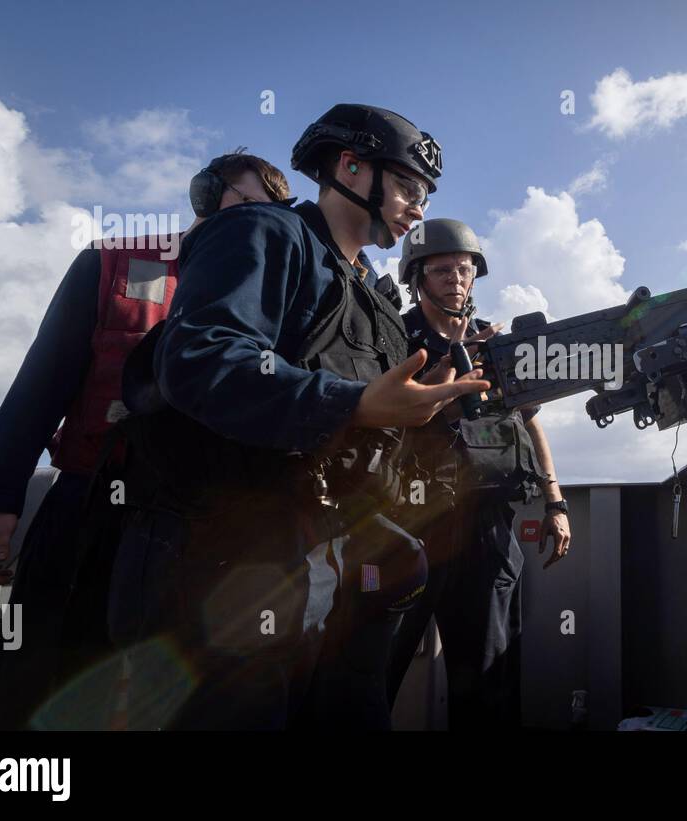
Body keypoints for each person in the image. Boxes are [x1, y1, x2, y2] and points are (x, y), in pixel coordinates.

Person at [108, 104, 488, 730]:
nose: (418, 207)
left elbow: (375, 409)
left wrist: (420, 403)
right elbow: (201, 359)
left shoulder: (373, 294)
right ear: (350, 166)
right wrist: (356, 403)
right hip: (223, 560)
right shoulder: (264, 233)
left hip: (323, 554)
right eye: (409, 187)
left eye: (425, 194)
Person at [0, 151, 292, 730]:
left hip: (191, 523)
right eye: (249, 207)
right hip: (89, 505)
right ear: (206, 196)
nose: (259, 227)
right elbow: (42, 381)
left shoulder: (279, 295)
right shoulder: (116, 263)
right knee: (39, 676)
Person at [387, 218, 571, 729]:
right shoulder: (391, 337)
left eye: (464, 270)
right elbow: (388, 421)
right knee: (374, 672)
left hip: (487, 525)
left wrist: (555, 504)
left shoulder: (496, 342)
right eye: (442, 270)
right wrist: (448, 375)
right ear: (417, 278)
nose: (455, 279)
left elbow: (531, 424)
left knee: (488, 679)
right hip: (407, 522)